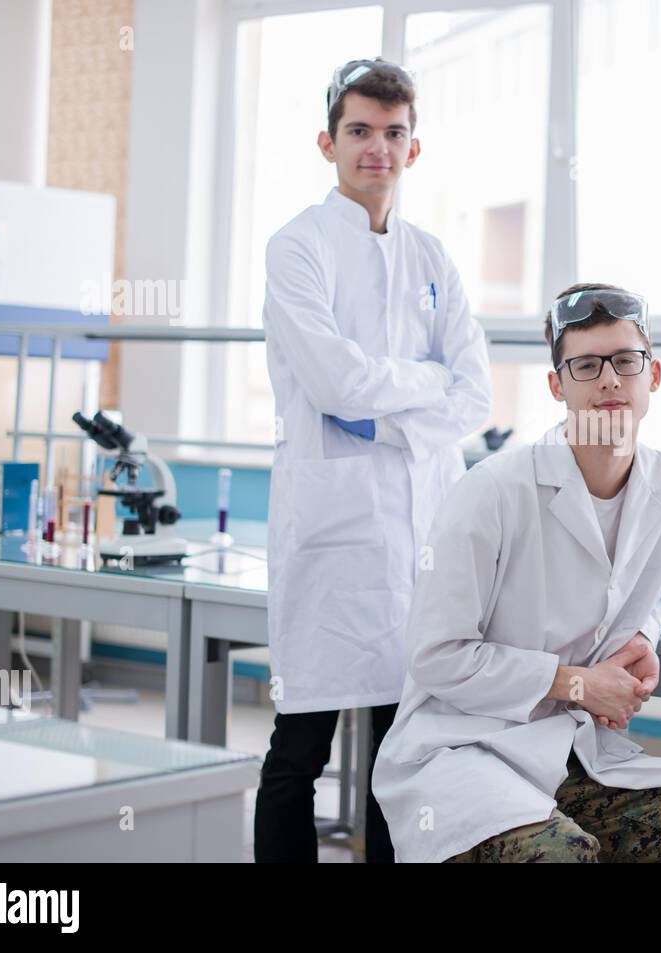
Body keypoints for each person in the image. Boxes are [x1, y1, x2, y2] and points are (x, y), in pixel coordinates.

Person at [372, 283, 661, 862]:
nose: (609, 380)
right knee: (564, 856)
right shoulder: (493, 490)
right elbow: (436, 656)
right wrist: (577, 683)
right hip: (466, 752)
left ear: (652, 375)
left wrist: (641, 639)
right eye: (585, 365)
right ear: (558, 386)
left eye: (625, 361)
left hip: (576, 753)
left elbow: (630, 599)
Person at [254, 58, 491, 862]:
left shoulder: (434, 258)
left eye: (394, 134)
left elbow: (475, 395)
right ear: (328, 141)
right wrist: (422, 395)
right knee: (299, 754)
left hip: (422, 538)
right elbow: (331, 380)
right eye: (359, 131)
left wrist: (384, 417)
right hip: (330, 537)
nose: (377, 149)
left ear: (413, 149)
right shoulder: (297, 248)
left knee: (403, 758)